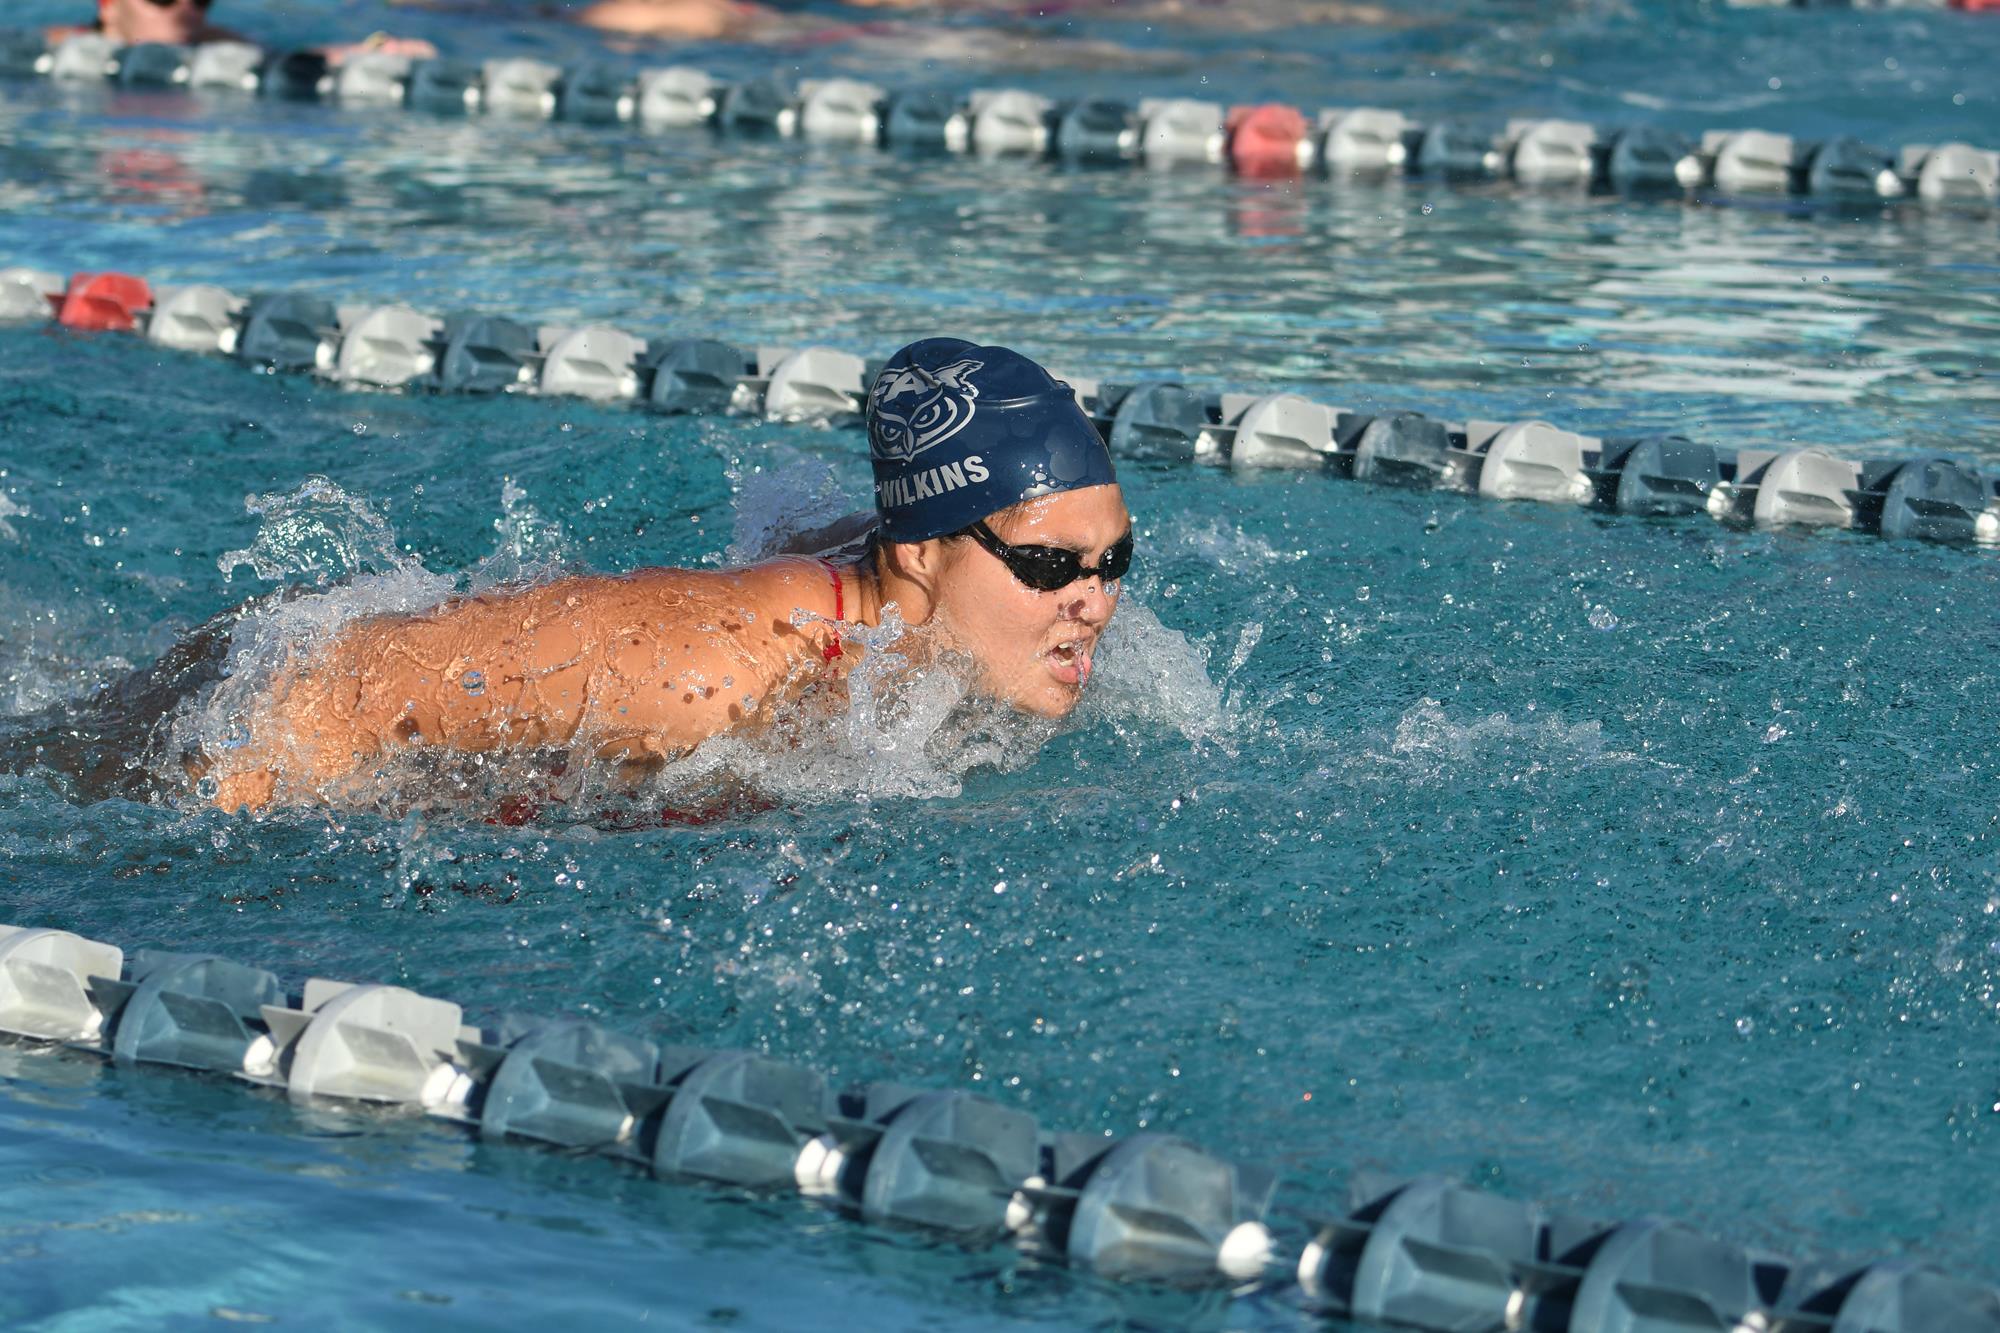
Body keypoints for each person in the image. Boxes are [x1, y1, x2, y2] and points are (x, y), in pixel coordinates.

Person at [185, 339, 1131, 813]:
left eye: (1112, 560)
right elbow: (335, 685)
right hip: (236, 707)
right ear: (921, 552)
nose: (1091, 602)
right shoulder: (712, 671)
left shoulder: (915, 609)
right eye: (1052, 566)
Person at [46, 0, 436, 66]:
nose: (186, 12)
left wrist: (370, 50)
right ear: (108, 6)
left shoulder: (217, 45)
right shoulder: (62, 44)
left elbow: (286, 60)